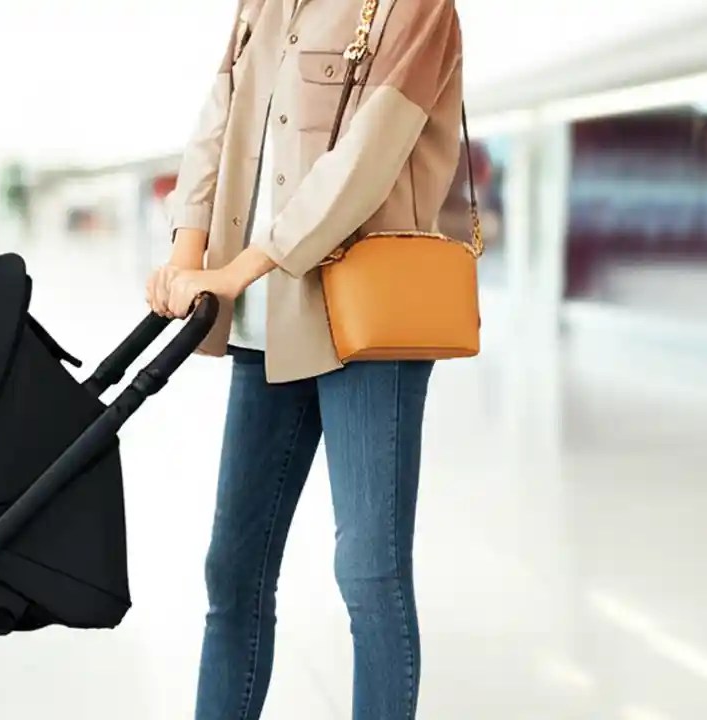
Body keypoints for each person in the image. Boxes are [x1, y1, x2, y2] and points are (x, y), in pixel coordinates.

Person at [144, 1, 465, 718]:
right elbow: (217, 122)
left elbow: (365, 162)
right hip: (266, 330)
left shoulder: (415, 8)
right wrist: (185, 251)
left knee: (370, 576)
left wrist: (240, 269)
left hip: (367, 330)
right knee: (232, 574)